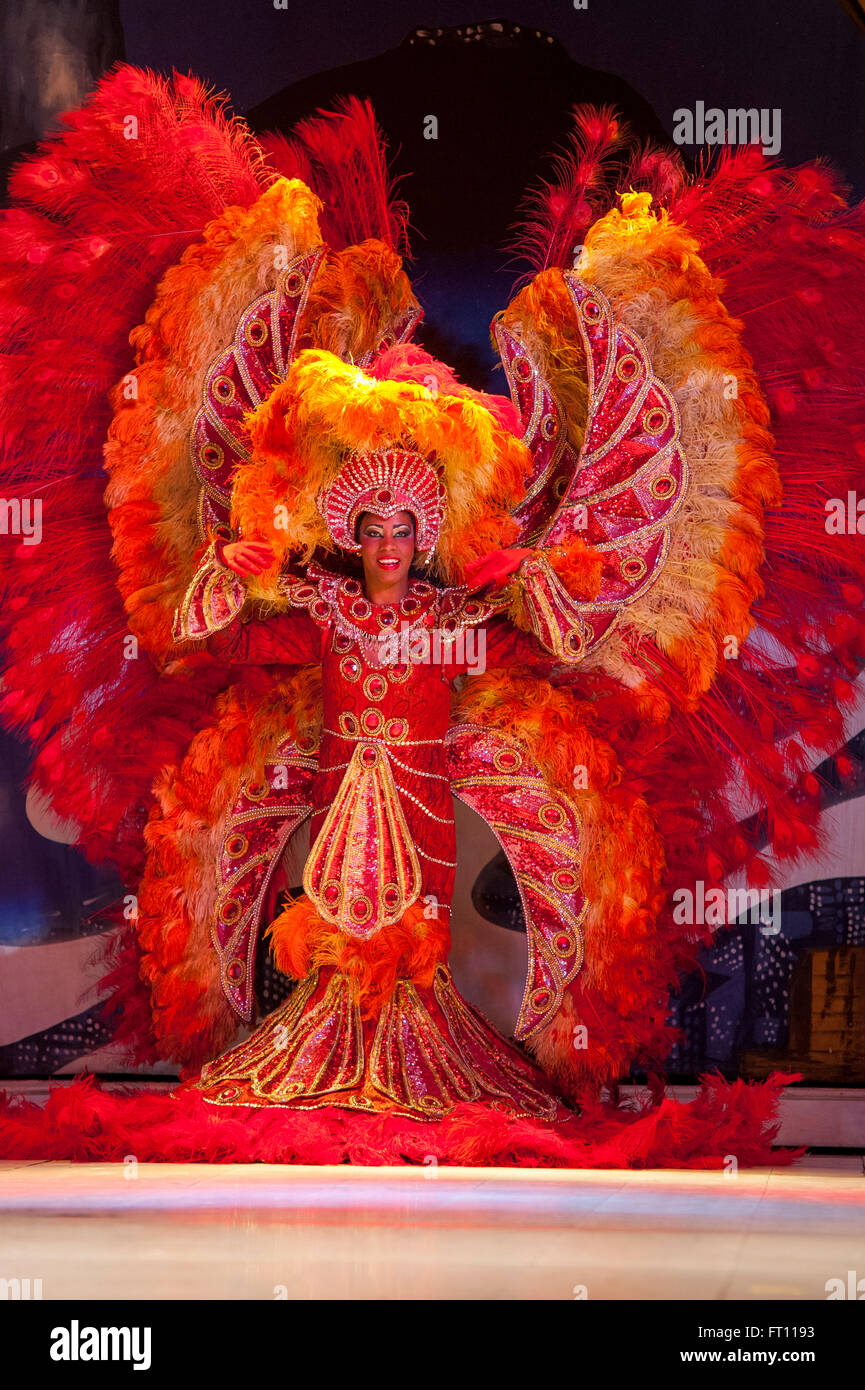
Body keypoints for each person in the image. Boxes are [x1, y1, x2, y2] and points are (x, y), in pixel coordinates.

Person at [181, 446, 576, 1123]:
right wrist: (222, 569)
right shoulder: (325, 611)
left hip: (419, 803)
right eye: (373, 529)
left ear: (422, 538)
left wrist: (528, 575)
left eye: (401, 530)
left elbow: (547, 649)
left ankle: (418, 1066)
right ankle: (324, 1057)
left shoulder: (447, 620)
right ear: (351, 536)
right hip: (337, 801)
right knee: (334, 934)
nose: (387, 545)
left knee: (413, 940)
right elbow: (229, 646)